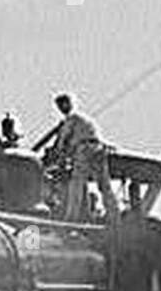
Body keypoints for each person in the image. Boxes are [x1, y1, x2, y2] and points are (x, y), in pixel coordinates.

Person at [49, 93, 119, 222]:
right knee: (104, 185)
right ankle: (115, 216)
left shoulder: (71, 119)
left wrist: (57, 156)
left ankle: (71, 219)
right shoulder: (85, 119)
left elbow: (62, 142)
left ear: (67, 104)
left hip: (84, 150)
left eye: (61, 105)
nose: (60, 108)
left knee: (76, 184)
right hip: (98, 149)